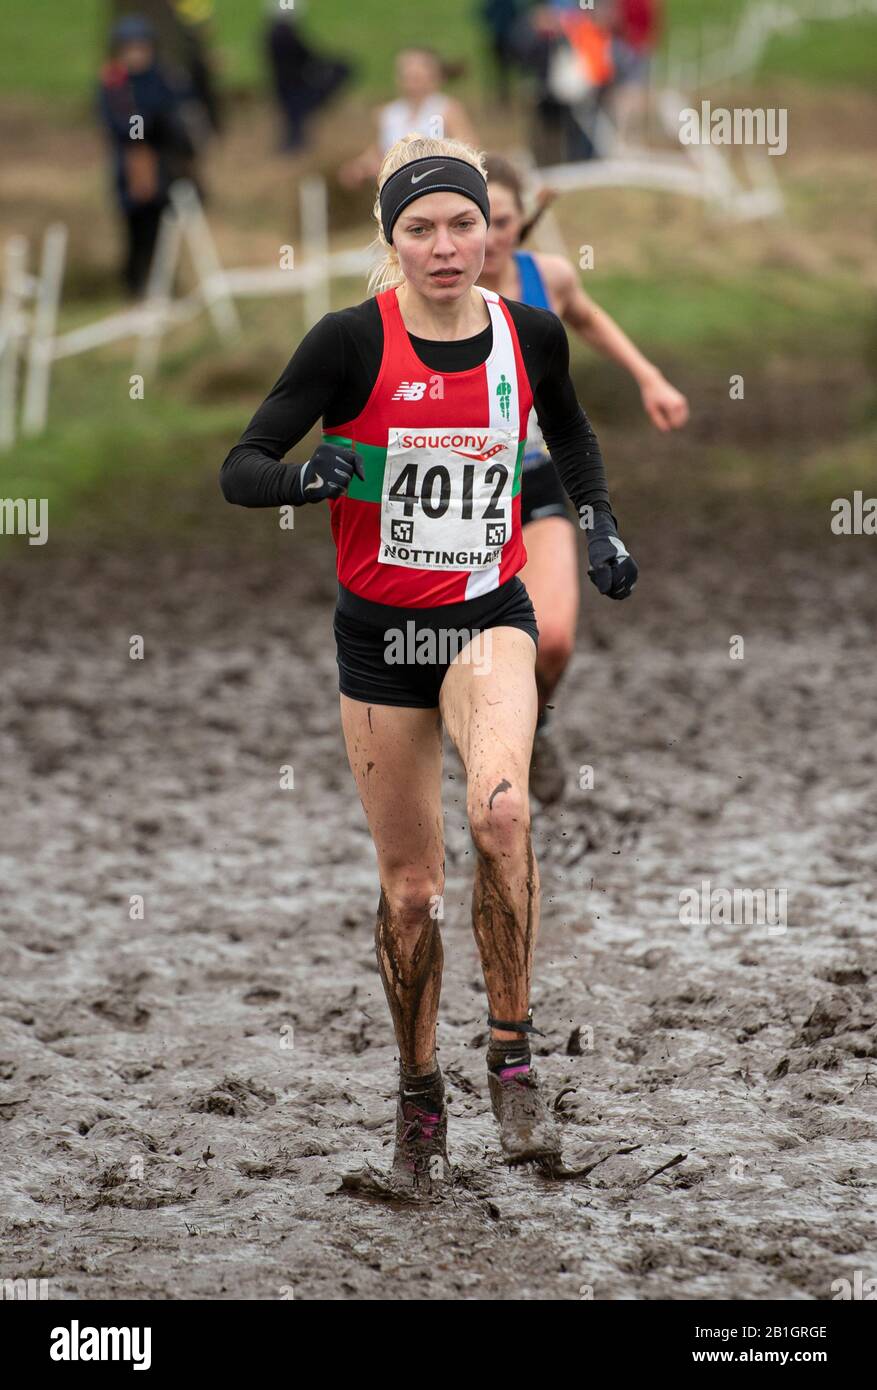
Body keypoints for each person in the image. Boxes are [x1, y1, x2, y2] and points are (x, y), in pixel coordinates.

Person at [220, 135, 637, 1198]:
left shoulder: (528, 333)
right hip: (379, 641)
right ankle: (418, 1106)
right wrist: (313, 476)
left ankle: (513, 1057)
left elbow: (574, 433)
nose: (447, 245)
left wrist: (595, 525)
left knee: (502, 812)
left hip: (483, 618)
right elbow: (241, 467)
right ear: (392, 240)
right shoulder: (347, 343)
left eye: (464, 223)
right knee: (411, 893)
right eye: (422, 229)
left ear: (489, 230)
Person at [478, 152, 688, 802]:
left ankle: (530, 729)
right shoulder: (434, 291)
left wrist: (648, 375)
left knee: (555, 640)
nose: (485, 236)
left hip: (537, 484)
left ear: (523, 219)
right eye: (474, 219)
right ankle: (478, 747)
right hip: (462, 500)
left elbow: (589, 317)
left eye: (502, 219)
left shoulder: (549, 278)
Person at [97, 15, 198, 297]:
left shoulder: (165, 77)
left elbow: (182, 114)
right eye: (130, 48)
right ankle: (134, 289)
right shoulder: (114, 83)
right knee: (135, 232)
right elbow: (126, 128)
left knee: (165, 232)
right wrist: (150, 120)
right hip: (130, 171)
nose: (136, 54)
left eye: (141, 47)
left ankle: (163, 288)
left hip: (165, 168)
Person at [338, 48, 476, 189]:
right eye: (407, 77)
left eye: (417, 77)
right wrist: (359, 167)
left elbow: (468, 151)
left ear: (434, 78)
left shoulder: (446, 109)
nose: (411, 84)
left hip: (435, 186)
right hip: (396, 188)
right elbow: (380, 150)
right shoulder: (388, 113)